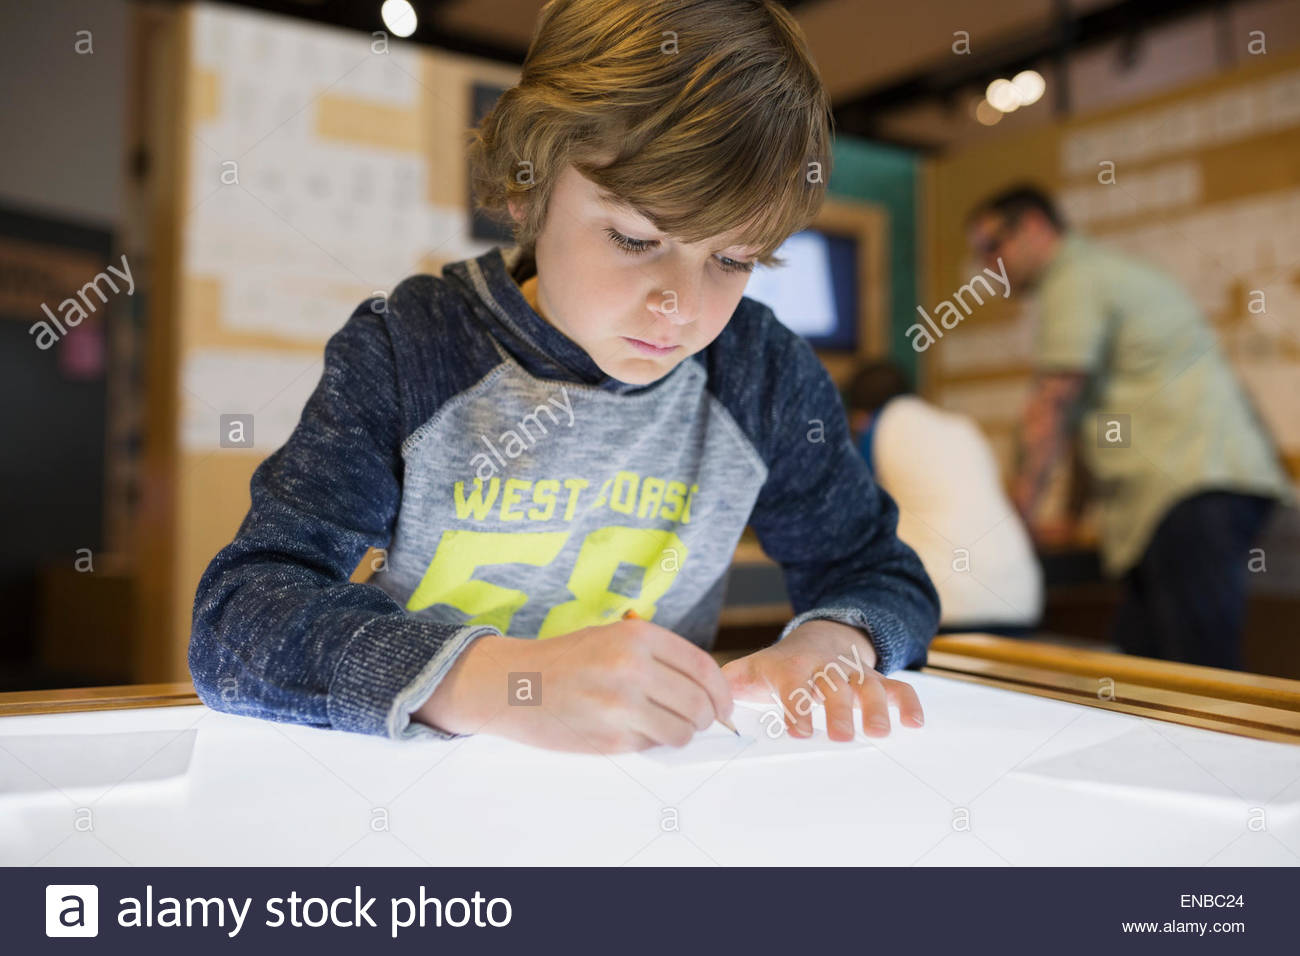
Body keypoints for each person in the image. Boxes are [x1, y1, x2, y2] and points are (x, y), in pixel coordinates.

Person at [189, 0, 939, 753]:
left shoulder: (759, 372)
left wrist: (833, 646)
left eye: (732, 260)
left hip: (643, 808)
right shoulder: (409, 351)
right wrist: (507, 685)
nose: (680, 308)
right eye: (635, 238)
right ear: (529, 189)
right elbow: (238, 618)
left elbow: (877, 571)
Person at [967, 184, 1294, 669]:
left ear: (1034, 226)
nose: (988, 267)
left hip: (1190, 490)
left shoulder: (1073, 277)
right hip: (1195, 490)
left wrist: (1017, 517)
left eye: (993, 246)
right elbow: (1082, 421)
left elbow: (1054, 403)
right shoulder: (1103, 274)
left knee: (1199, 679)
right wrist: (1071, 516)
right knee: (1146, 670)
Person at [844, 361, 1042, 635]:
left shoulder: (878, 427)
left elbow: (853, 519)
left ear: (859, 416)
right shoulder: (962, 427)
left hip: (948, 610)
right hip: (1020, 600)